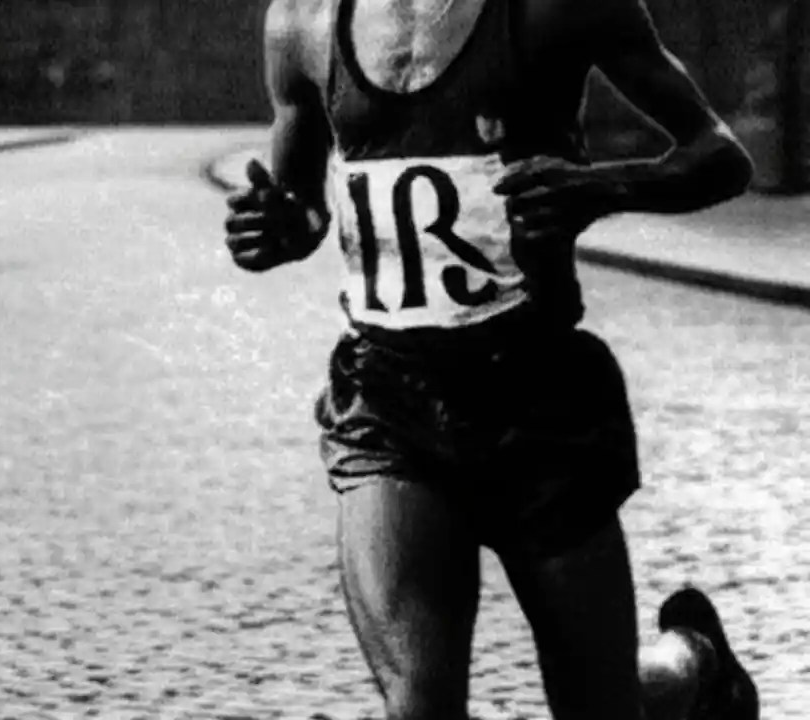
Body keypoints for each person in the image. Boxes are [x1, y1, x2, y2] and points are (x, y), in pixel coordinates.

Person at [223, 0, 760, 718]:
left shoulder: (554, 9)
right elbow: (304, 198)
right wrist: (281, 225)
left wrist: (601, 188)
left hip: (539, 406)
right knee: (421, 701)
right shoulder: (303, 20)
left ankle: (693, 668)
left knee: (603, 706)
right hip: (390, 403)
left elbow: (720, 156)